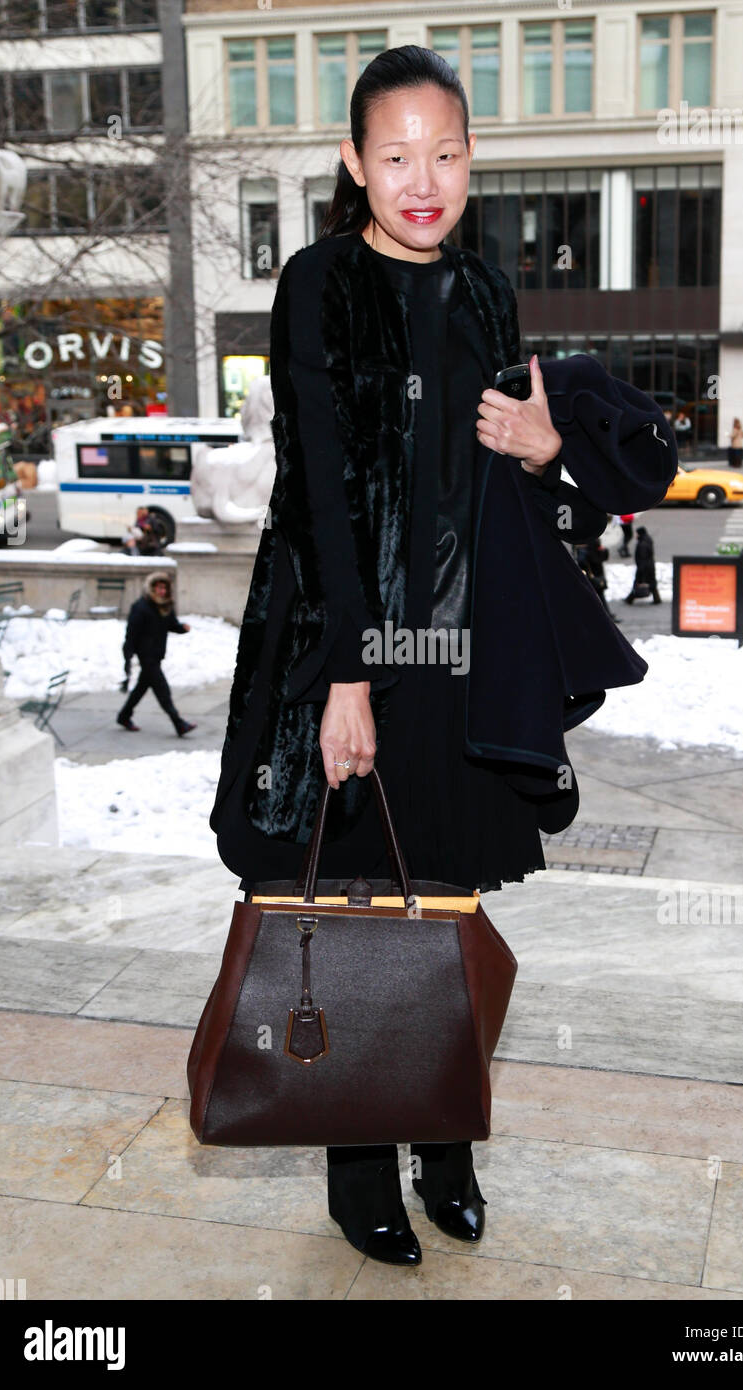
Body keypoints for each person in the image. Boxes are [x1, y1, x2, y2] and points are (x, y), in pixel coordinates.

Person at [208, 46, 676, 1269]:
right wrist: (348, 677)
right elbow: (315, 487)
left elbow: (502, 480)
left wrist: (538, 448)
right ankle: (357, 1162)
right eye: (396, 155)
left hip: (460, 649)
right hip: (343, 643)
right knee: (347, 898)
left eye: (448, 153)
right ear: (354, 162)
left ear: (474, 160)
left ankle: (445, 1146)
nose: (424, 179)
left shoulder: (480, 294)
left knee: (443, 895)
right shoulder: (316, 283)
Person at [117, 571, 196, 736]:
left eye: (164, 588)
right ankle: (178, 723)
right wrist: (128, 655)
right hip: (147, 656)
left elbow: (171, 625)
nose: (162, 592)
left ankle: (124, 716)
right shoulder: (141, 607)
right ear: (152, 588)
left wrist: (182, 628)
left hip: (157, 655)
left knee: (141, 688)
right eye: (159, 588)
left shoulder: (164, 606)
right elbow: (131, 634)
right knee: (162, 690)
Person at [575, 536, 620, 621]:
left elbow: (582, 562)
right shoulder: (596, 552)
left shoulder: (587, 552)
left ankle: (605, 615)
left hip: (592, 578)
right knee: (599, 597)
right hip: (596, 578)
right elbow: (604, 557)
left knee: (594, 597)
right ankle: (607, 615)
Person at [624, 525, 662, 603]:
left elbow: (642, 558)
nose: (636, 535)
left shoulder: (642, 544)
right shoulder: (648, 539)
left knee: (638, 582)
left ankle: (630, 599)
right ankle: (657, 599)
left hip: (644, 567)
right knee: (652, 583)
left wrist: (641, 570)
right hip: (650, 566)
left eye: (637, 533)